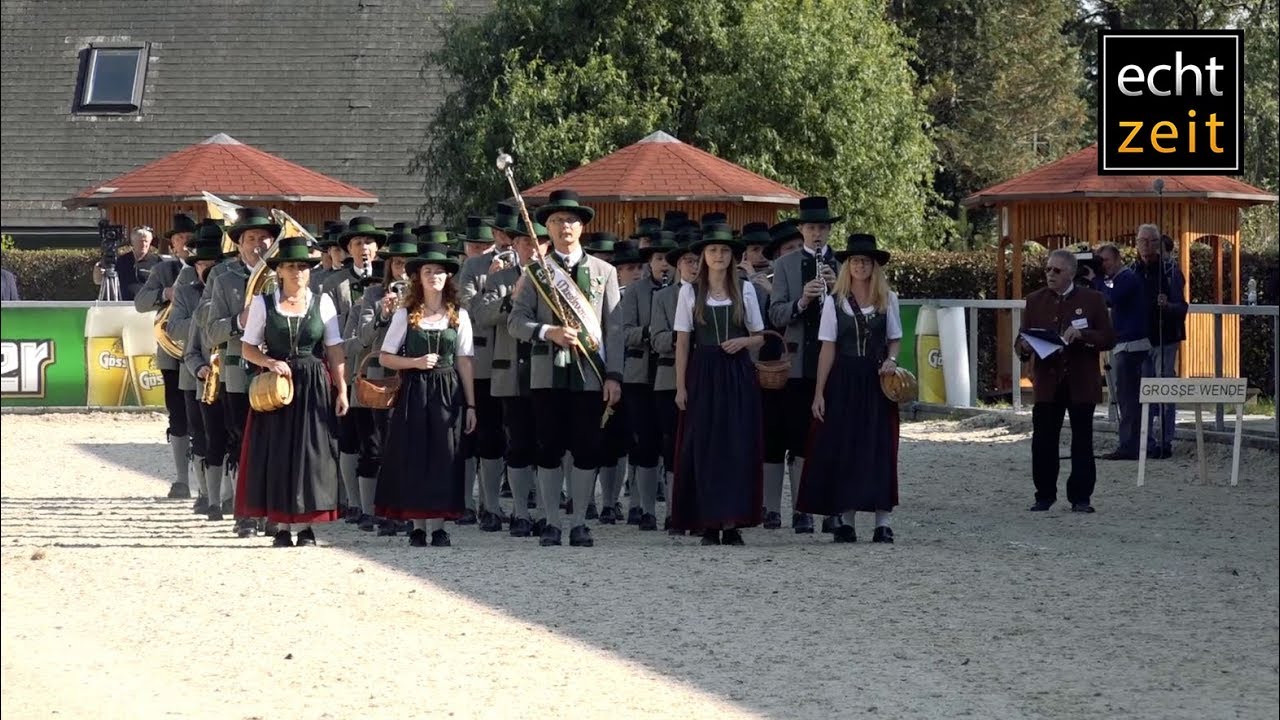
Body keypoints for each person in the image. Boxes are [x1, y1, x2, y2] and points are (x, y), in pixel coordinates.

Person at [507, 189, 623, 548]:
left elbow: (614, 329)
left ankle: (579, 523)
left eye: (571, 220)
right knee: (549, 447)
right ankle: (552, 522)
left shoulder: (605, 272)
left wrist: (614, 375)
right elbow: (516, 322)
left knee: (587, 448)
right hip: (547, 374)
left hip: (590, 375)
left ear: (582, 226)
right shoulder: (537, 273)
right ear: (548, 228)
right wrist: (548, 331)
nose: (564, 226)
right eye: (556, 220)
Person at [237, 236, 348, 547]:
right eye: (290, 266)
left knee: (311, 455)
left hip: (313, 384)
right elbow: (247, 348)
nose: (297, 272)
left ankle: (307, 527)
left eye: (302, 266)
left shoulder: (323, 302)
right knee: (278, 452)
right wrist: (270, 362)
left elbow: (334, 349)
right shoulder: (263, 304)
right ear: (280, 271)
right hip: (277, 387)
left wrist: (341, 390)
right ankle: (283, 526)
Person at [798, 235, 903, 543]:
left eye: (865, 261)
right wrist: (819, 392)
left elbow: (895, 339)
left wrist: (892, 360)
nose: (860, 266)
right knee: (846, 447)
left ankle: (883, 522)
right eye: (855, 261)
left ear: (874, 266)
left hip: (876, 380)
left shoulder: (888, 299)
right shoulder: (835, 301)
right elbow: (827, 348)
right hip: (843, 380)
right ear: (848, 266)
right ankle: (846, 520)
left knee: (880, 447)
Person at [376, 243, 478, 547]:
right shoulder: (405, 314)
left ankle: (439, 525)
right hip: (415, 390)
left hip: (448, 391)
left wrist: (471, 405)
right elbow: (385, 357)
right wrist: (415, 363)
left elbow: (464, 360)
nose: (434, 276)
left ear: (448, 277)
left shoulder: (459, 315)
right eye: (428, 271)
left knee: (445, 455)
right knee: (415, 454)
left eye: (440, 271)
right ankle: (417, 525)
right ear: (418, 278)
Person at [671, 223, 766, 545]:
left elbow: (760, 337)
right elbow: (683, 342)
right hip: (704, 372)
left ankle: (733, 521)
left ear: (732, 256)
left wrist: (743, 342)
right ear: (703, 256)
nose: (719, 255)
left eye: (724, 250)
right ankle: (708, 522)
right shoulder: (689, 292)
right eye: (712, 250)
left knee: (736, 445)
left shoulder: (745, 290)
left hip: (737, 372)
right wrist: (680, 386)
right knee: (706, 446)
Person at [1017, 249, 1115, 514]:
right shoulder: (1035, 300)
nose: (1050, 274)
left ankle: (1081, 497)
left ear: (1071, 273)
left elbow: (1108, 338)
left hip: (1080, 380)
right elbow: (1021, 339)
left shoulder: (1093, 299)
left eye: (1056, 270)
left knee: (1082, 440)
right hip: (1047, 381)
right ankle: (1044, 495)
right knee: (1043, 440)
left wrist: (1083, 335)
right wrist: (1024, 347)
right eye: (1048, 269)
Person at [766, 198, 842, 534]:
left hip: (833, 362)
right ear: (801, 230)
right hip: (798, 365)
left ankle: (833, 508)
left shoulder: (843, 264)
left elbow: (856, 312)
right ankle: (802, 508)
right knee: (799, 438)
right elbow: (776, 314)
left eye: (822, 228)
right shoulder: (785, 265)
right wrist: (801, 301)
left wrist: (836, 289)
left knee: (831, 439)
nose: (817, 234)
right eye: (811, 228)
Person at [204, 208, 280, 538]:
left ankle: (271, 510)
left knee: (273, 442)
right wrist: (239, 321)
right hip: (237, 371)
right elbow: (210, 331)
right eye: (251, 238)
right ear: (239, 244)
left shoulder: (281, 276)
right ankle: (244, 512)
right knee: (240, 442)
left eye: (264, 238)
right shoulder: (224, 279)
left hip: (274, 370)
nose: (258, 244)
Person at [475, 219, 551, 537]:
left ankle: (547, 513)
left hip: (548, 370)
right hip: (512, 372)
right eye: (525, 242)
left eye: (538, 242)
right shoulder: (500, 278)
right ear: (515, 245)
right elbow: (482, 314)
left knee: (547, 444)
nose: (532, 248)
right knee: (518, 442)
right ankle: (520, 512)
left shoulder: (556, 278)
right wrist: (512, 297)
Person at [344, 230, 419, 533]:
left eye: (408, 265)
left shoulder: (426, 296)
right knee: (378, 446)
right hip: (381, 379)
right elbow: (361, 339)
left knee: (409, 447)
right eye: (398, 264)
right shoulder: (373, 295)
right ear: (389, 266)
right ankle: (375, 511)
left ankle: (406, 510)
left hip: (415, 376)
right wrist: (382, 316)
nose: (403, 271)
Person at [322, 216, 386, 528]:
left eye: (369, 243)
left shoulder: (387, 279)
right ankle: (353, 501)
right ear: (348, 248)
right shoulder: (334, 284)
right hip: (348, 366)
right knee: (349, 436)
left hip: (382, 368)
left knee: (376, 438)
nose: (364, 248)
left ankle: (377, 502)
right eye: (358, 243)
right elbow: (331, 332)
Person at [611, 232, 677, 529]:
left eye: (667, 259)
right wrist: (650, 332)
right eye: (658, 259)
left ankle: (674, 509)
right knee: (644, 442)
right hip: (639, 377)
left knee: (671, 442)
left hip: (670, 375)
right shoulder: (635, 292)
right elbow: (623, 332)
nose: (663, 264)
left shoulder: (682, 291)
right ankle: (644, 507)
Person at [134, 213, 198, 499]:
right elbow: (140, 303)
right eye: (180, 238)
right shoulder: (164, 270)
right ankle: (182, 480)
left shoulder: (210, 268)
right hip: (172, 355)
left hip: (204, 354)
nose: (185, 243)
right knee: (178, 415)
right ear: (172, 245)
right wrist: (165, 293)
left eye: (189, 238)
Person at [458, 213, 514, 532]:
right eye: (503, 232)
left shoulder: (525, 265)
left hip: (511, 358)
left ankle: (491, 505)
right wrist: (490, 282)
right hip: (479, 359)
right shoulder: (475, 265)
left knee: (497, 436)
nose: (507, 238)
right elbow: (467, 307)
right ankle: (466, 502)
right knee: (472, 434)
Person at [169, 232, 225, 519]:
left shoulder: (230, 290)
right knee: (199, 435)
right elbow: (173, 328)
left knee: (225, 435)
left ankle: (226, 495)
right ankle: (204, 493)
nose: (207, 269)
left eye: (212, 264)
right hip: (194, 374)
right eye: (202, 264)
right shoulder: (185, 292)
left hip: (225, 374)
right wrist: (203, 321)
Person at [1086, 243, 1149, 460]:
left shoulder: (1127, 278)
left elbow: (1109, 298)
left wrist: (1094, 279)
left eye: (1106, 261)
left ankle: (1129, 446)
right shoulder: (1118, 279)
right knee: (1125, 396)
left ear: (1118, 259)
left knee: (1128, 397)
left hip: (1131, 345)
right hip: (1124, 344)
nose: (1103, 265)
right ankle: (1130, 444)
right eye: (1100, 261)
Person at [1133, 224, 1188, 459]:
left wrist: (1167, 306)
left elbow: (1182, 307)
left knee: (1164, 389)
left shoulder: (1170, 270)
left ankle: (1165, 441)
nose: (1147, 246)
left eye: (1152, 241)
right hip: (1140, 339)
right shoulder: (1132, 270)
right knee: (1144, 390)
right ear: (1136, 243)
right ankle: (1146, 440)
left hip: (1165, 338)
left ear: (1159, 244)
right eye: (1142, 241)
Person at [94, 226, 162, 300]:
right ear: (133, 242)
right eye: (140, 241)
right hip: (124, 305)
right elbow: (98, 281)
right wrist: (98, 272)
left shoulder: (157, 262)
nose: (143, 244)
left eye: (146, 241)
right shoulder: (121, 260)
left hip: (148, 304)